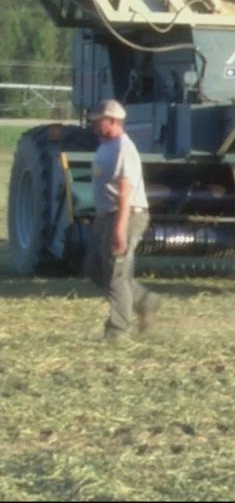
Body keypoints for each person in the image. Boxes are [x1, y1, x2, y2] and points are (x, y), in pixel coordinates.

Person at [87, 99, 160, 339]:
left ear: (113, 120)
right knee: (96, 269)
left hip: (126, 216)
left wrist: (120, 229)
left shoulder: (123, 148)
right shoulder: (106, 145)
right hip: (106, 215)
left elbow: (125, 192)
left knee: (116, 273)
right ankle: (144, 300)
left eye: (99, 120)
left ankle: (116, 331)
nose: (95, 124)